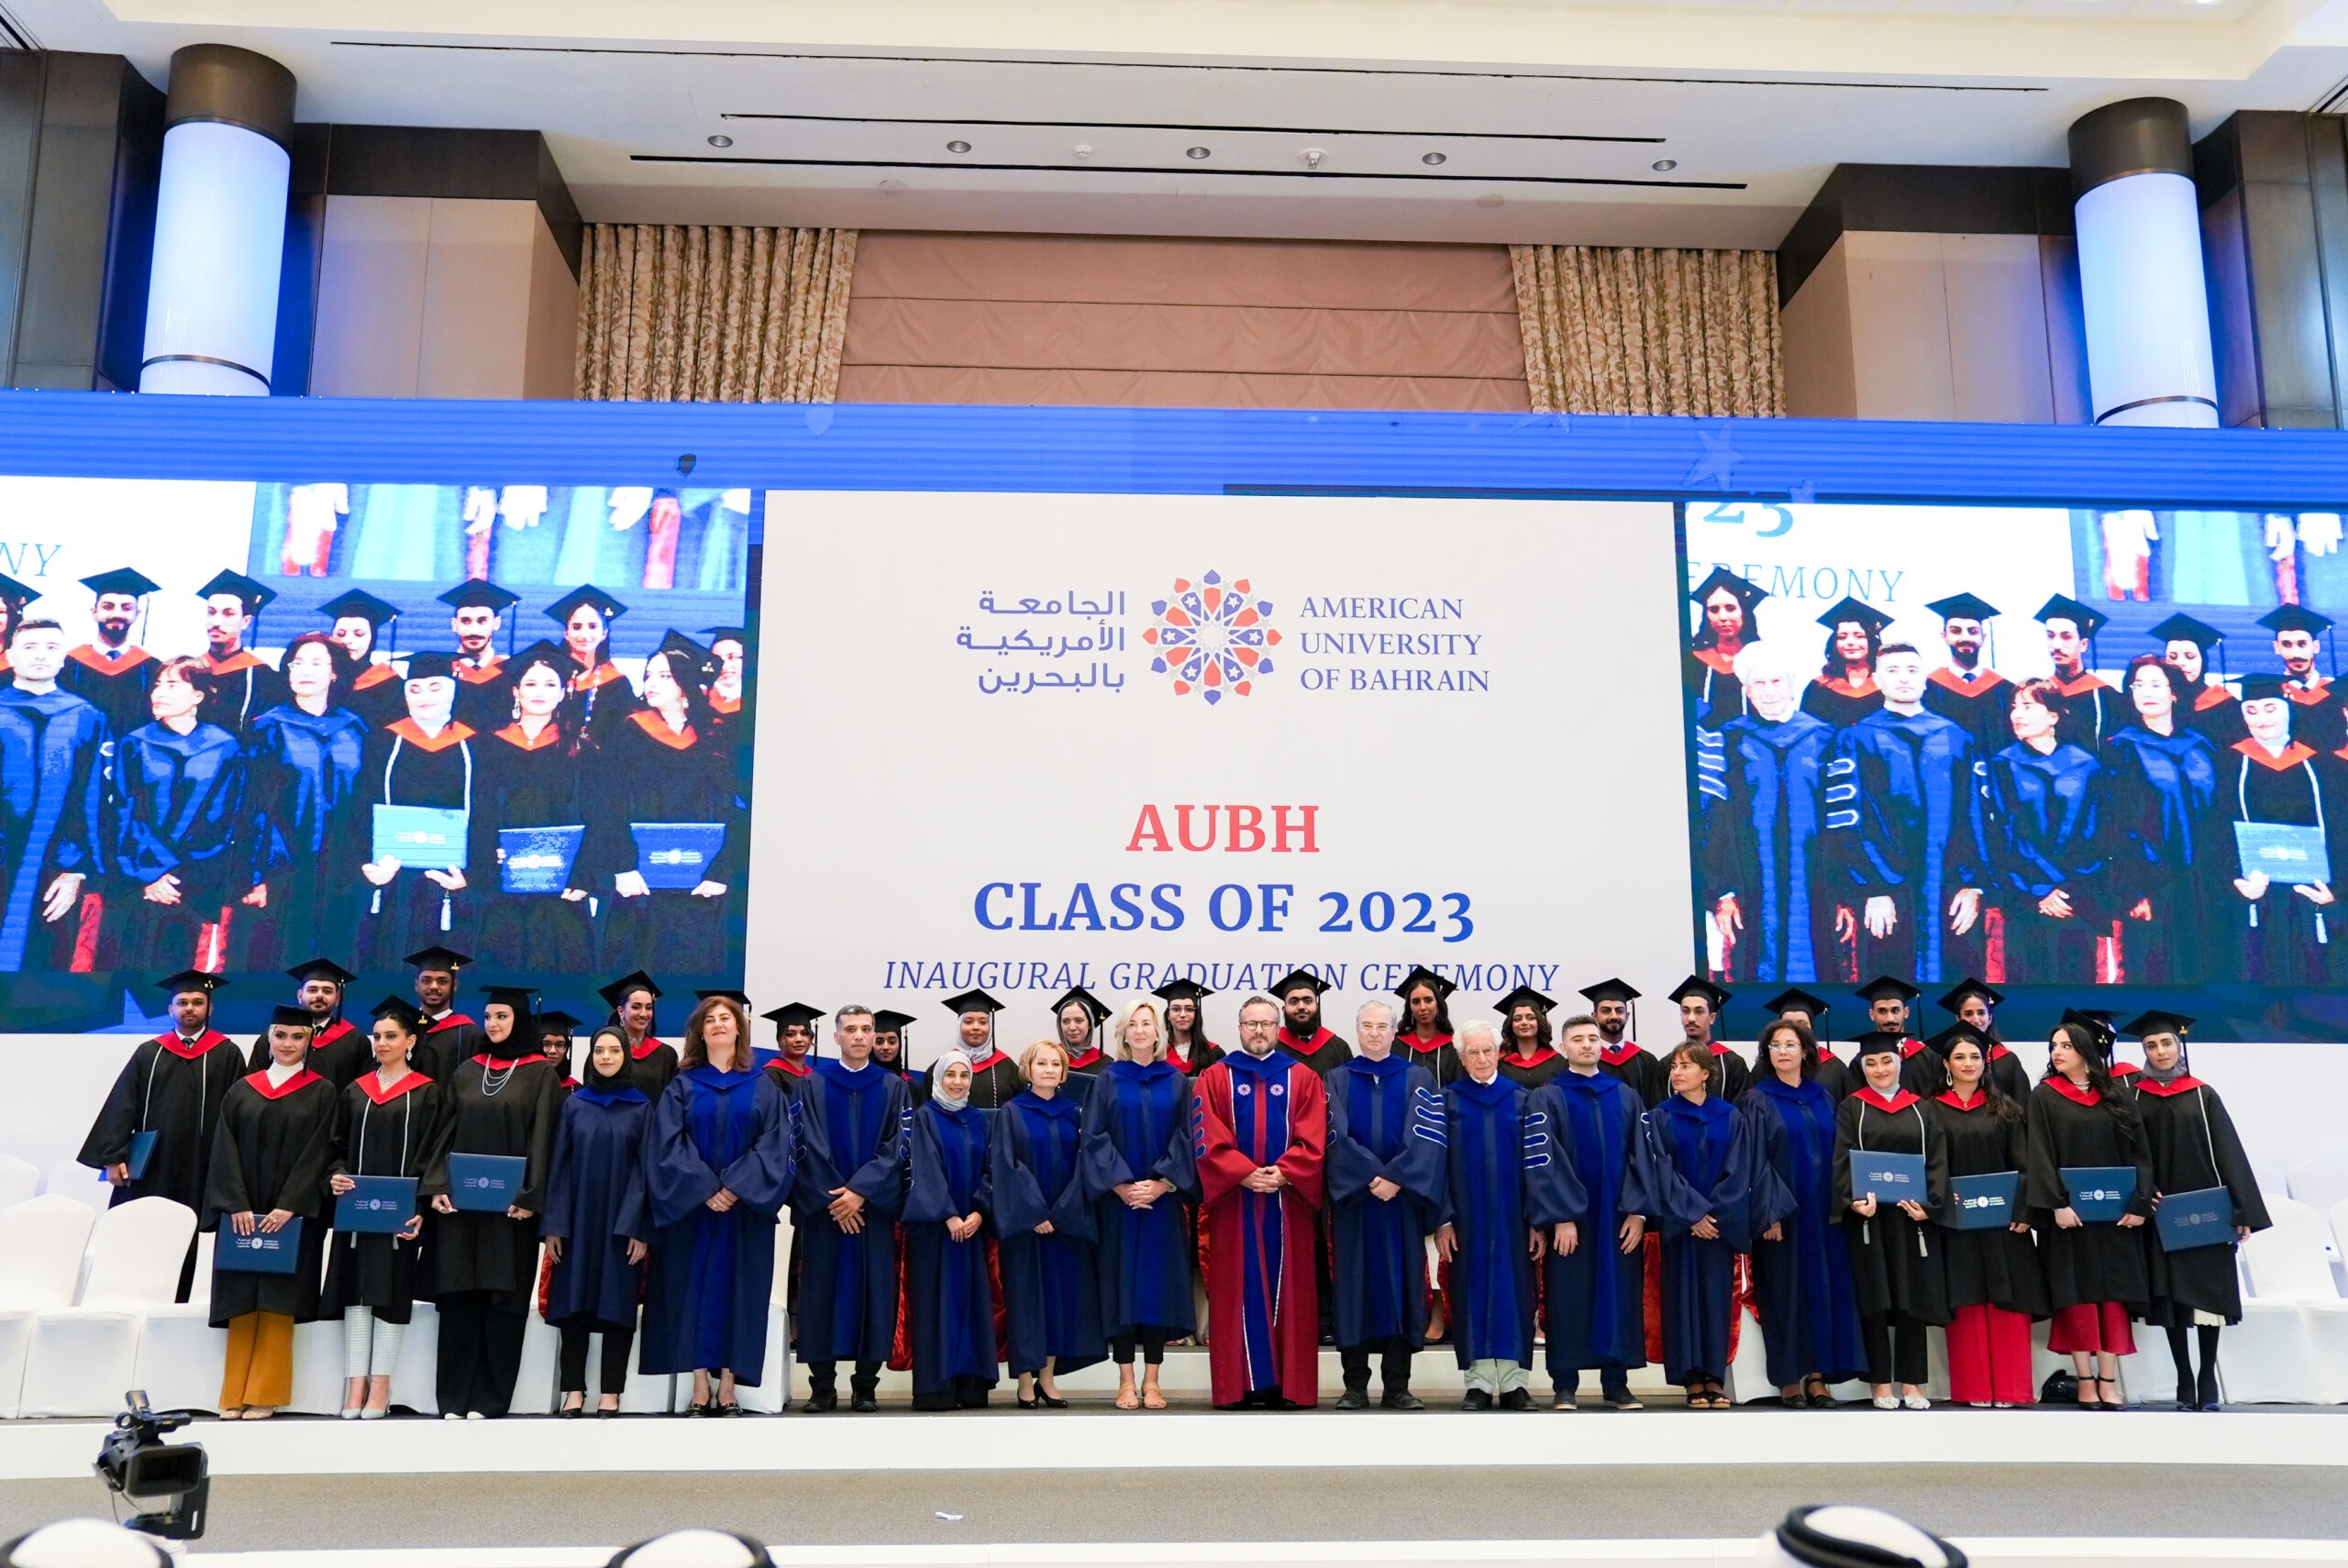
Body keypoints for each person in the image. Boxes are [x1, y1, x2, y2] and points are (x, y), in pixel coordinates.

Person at [643, 993, 794, 1417]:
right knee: (693, 1290)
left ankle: (728, 1384)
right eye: (710, 1020)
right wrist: (705, 1187)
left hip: (743, 1212)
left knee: (738, 1291)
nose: (718, 1025)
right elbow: (667, 1144)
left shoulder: (763, 1085)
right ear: (700, 1031)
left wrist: (735, 1187)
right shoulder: (683, 1085)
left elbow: (775, 1145)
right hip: (693, 1211)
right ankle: (698, 1384)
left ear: (739, 1029)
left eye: (726, 1018)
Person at [426, 984, 559, 1419]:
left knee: (502, 1300)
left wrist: (531, 1196)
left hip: (510, 1212)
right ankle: (453, 1396)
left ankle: (489, 1397)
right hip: (462, 1210)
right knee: (460, 1296)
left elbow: (544, 1138)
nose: (493, 1024)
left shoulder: (541, 1074)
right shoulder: (466, 1070)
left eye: (502, 1016)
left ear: (519, 1020)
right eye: (488, 1017)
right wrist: (439, 1185)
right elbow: (444, 1132)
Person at [2126, 1010, 2271, 1410]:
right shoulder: (2134, 1095)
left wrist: (2242, 1210)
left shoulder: (2202, 1094)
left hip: (2206, 1210)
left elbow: (2229, 1153)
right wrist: (2142, 1192)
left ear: (2179, 1045)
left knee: (2208, 1296)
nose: (2160, 1051)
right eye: (2152, 1045)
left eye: (2166, 1043)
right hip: (2162, 1212)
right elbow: (2129, 1154)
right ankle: (2183, 1379)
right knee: (2172, 1299)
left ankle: (2207, 1376)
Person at [1437, 1021, 1584, 1411]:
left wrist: (1539, 1220)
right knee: (1471, 1294)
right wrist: (1443, 1219)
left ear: (1499, 1053)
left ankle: (1516, 1382)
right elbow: (1437, 1166)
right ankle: (1479, 1384)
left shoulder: (1523, 1100)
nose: (1482, 1059)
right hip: (1466, 1219)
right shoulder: (1447, 1101)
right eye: (1473, 1052)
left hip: (1514, 1219)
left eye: (1487, 1050)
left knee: (1516, 1295)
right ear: (1462, 1056)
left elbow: (1539, 1165)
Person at [203, 1005, 338, 1419]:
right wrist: (237, 1204)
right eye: (281, 1036)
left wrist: (290, 1204)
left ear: (309, 1041)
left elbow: (320, 1154)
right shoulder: (243, 1089)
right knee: (242, 1299)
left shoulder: (322, 1092)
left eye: (297, 1037)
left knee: (278, 1302)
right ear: (268, 1038)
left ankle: (265, 1394)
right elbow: (223, 1150)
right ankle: (234, 1393)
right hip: (243, 1213)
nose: (288, 1045)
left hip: (290, 1216)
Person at [77, 970, 245, 1300]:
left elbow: (238, 1114)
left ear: (210, 1009)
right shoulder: (149, 1052)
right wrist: (113, 1157)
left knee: (188, 1236)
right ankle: (130, 1300)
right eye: (182, 1002)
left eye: (197, 1002)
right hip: (151, 1164)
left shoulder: (227, 1053)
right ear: (171, 1010)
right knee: (140, 1231)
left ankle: (178, 1303)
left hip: (202, 1165)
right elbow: (122, 1105)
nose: (190, 1009)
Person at [1194, 994, 1326, 1408]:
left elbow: (1316, 1135)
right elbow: (1206, 1136)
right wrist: (1242, 1172)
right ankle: (1241, 1386)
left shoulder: (1303, 1078)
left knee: (1292, 1291)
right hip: (1236, 1201)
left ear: (1278, 1027)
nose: (1259, 1030)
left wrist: (1285, 1171)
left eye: (1267, 1024)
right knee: (1238, 1287)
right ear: (1239, 1028)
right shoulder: (1215, 1078)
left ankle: (1288, 1387)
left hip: (1289, 1203)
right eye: (1251, 1023)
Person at [582, 635, 743, 976]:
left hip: (700, 884)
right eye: (649, 675)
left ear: (686, 683)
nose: (651, 683)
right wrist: (622, 867)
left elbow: (738, 811)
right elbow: (606, 806)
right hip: (639, 881)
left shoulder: (717, 735)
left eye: (664, 676)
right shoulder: (629, 732)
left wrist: (721, 872)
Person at [1827, 641, 1988, 983]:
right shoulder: (1855, 739)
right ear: (1877, 679)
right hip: (1887, 888)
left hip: (1950, 887)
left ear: (1925, 679)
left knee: (1955, 985)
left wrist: (1972, 885)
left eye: (1912, 670)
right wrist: (1872, 887)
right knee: (1890, 989)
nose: (1904, 679)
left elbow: (1975, 816)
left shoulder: (1957, 738)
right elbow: (1846, 821)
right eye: (1893, 671)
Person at [325, 998, 449, 1419]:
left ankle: (381, 1386)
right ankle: (354, 1384)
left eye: (391, 1036)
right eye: (376, 1036)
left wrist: (420, 1208)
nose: (381, 1042)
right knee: (355, 1294)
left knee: (391, 1294)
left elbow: (434, 1154)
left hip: (400, 1215)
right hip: (356, 1214)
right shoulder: (354, 1091)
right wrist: (336, 1174)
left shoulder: (427, 1092)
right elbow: (335, 1147)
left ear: (410, 1041)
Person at [2025, 1019, 2154, 1409]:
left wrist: (2139, 1204)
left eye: (2065, 1045)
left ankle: (2109, 1380)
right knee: (2077, 1297)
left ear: (2085, 1049)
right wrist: (2057, 1204)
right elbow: (2039, 1154)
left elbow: (2140, 1153)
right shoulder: (2044, 1096)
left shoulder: (2116, 1094)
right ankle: (2084, 1380)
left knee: (2112, 1298)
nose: (2057, 1052)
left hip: (2114, 1218)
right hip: (2070, 1220)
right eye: (2053, 1046)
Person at [1324, 999, 1445, 1410]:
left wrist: (1397, 1177)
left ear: (1395, 1032)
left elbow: (1427, 1135)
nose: (1374, 1033)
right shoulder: (1337, 1078)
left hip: (1400, 1204)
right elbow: (1333, 1133)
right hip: (1356, 1205)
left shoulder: (1418, 1077)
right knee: (1353, 1290)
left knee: (1403, 1287)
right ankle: (1354, 1385)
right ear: (1356, 1030)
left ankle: (1397, 1385)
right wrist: (1369, 1177)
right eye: (1367, 1026)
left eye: (1382, 1026)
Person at [1080, 996, 1198, 1410]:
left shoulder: (1178, 1081)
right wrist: (1121, 1186)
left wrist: (1163, 1183)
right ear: (1124, 1033)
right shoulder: (1107, 1081)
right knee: (1122, 1288)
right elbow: (1094, 1138)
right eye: (1134, 1024)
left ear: (1159, 1031)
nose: (1141, 1030)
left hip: (1162, 1204)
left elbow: (1187, 1137)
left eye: (1148, 1023)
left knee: (1157, 1290)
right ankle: (1126, 1379)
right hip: (1121, 1205)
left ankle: (1153, 1380)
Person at [792, 1006, 912, 1412]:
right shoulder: (810, 1085)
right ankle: (822, 1386)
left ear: (875, 1037)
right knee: (821, 1292)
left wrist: (860, 1192)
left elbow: (898, 1147)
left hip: (871, 1212)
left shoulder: (893, 1086)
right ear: (837, 1037)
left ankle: (865, 1385)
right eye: (851, 1030)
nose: (860, 1036)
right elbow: (804, 1145)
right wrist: (838, 1199)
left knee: (873, 1292)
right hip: (826, 1212)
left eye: (866, 1030)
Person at [1742, 1019, 1866, 1408]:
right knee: (1784, 1294)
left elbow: (1842, 1154)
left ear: (1805, 1052)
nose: (1782, 1051)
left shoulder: (1822, 1097)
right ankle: (1788, 1378)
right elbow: (1753, 1162)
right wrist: (1768, 1214)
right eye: (1775, 1045)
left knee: (1823, 1293)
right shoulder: (1757, 1099)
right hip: (1784, 1217)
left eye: (1790, 1045)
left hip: (1825, 1217)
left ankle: (1818, 1376)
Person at [1540, 1013, 1656, 1409]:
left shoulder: (1624, 1095)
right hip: (1572, 1220)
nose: (1587, 1044)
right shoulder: (1549, 1096)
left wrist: (1638, 1213)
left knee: (1618, 1293)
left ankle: (1616, 1382)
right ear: (1563, 1048)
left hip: (1617, 1217)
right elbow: (1544, 1161)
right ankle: (1565, 1384)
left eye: (1592, 1038)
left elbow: (1643, 1156)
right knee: (1568, 1297)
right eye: (1578, 1039)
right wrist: (1560, 1215)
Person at [1930, 1022, 2047, 1408]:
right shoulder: (1931, 1111)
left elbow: (2026, 1164)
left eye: (1975, 1056)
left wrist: (2024, 1210)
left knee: (2006, 1301)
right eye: (1960, 1056)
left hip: (2004, 1224)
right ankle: (1975, 1389)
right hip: (1957, 1224)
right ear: (1946, 1063)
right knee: (1967, 1301)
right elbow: (1931, 1167)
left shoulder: (2007, 1109)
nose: (1968, 1063)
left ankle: (2013, 1388)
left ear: (1986, 1062)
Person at [1706, 639, 1837, 985]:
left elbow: (1838, 819)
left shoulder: (1823, 736)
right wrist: (1724, 889)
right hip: (1750, 873)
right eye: (1758, 684)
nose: (1768, 692)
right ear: (1747, 691)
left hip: (1814, 873)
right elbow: (1720, 819)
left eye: (1777, 681)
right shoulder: (1730, 738)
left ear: (1793, 685)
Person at [1834, 1032, 1950, 1410]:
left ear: (1899, 1063)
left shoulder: (1921, 1109)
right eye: (1870, 1063)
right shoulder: (1853, 1107)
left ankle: (1912, 1382)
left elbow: (1936, 1159)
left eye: (1886, 1061)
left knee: (1910, 1299)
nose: (1879, 1070)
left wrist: (1930, 1204)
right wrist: (1853, 1201)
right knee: (1876, 1300)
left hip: (1910, 1216)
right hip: (1870, 1218)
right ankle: (1880, 1382)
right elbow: (1843, 1157)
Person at [541, 1025, 652, 1418]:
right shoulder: (574, 1104)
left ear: (626, 1056)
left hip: (620, 1224)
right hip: (577, 1220)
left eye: (614, 1051)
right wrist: (554, 1224)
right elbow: (559, 1166)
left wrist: (639, 1228)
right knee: (573, 1306)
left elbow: (645, 1172)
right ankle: (573, 1389)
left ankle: (610, 1392)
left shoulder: (641, 1107)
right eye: (600, 1051)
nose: (606, 1057)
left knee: (617, 1307)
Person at [109, 657, 245, 973]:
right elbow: (124, 812)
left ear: (198, 695)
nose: (160, 692)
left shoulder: (224, 747)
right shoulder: (134, 743)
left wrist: (182, 875)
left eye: (172, 684)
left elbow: (227, 816)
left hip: (195, 883)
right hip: (141, 878)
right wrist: (153, 874)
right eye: (157, 685)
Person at [239, 635, 368, 970]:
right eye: (297, 663)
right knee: (284, 957)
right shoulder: (268, 726)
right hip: (284, 864)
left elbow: (367, 799)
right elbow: (252, 805)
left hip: (344, 864)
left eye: (316, 663)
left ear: (335, 673)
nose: (304, 670)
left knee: (337, 960)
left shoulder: (355, 728)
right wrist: (258, 872)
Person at [1645, 1041, 1760, 1409]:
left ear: (1706, 1074)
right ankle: (1691, 1379)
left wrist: (1714, 1216)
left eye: (1685, 1066)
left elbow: (1739, 1171)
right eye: (1674, 1066)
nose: (1676, 1072)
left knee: (1714, 1302)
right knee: (1680, 1301)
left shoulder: (1730, 1116)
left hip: (1718, 1229)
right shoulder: (1660, 1115)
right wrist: (1692, 1214)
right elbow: (1662, 1169)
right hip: (1683, 1229)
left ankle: (1714, 1376)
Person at [991, 1039, 1101, 1408]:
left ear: (1064, 1071)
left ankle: (1048, 1378)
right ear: (1028, 1068)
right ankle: (1025, 1379)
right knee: (1026, 1300)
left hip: (1064, 1224)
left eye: (1056, 1064)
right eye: (1042, 1063)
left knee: (1057, 1300)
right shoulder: (1012, 1112)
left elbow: (1083, 1167)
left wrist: (1062, 1213)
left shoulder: (1075, 1112)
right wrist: (1035, 1213)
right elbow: (1007, 1166)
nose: (1050, 1070)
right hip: (1027, 1226)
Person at [354, 652, 482, 968]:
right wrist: (367, 863)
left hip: (451, 879)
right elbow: (360, 809)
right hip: (395, 879)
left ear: (453, 689)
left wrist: (474, 873)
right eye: (415, 688)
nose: (424, 697)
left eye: (435, 687)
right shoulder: (382, 743)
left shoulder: (477, 746)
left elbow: (488, 813)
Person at [471, 641, 592, 973]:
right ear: (516, 691)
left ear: (565, 692)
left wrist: (582, 874)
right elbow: (478, 812)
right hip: (502, 881)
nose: (539, 692)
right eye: (530, 683)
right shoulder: (488, 745)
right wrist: (486, 852)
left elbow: (596, 817)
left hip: (561, 882)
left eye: (550, 683)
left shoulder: (581, 748)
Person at [2103, 656, 2224, 986]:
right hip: (2153, 880)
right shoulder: (2121, 747)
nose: (2146, 692)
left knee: (2207, 964)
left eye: (2156, 684)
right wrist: (2133, 889)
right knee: (2156, 969)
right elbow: (2116, 825)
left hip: (2205, 877)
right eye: (2138, 685)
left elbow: (2220, 813)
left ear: (2174, 693)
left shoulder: (2202, 745)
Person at [0, 618, 111, 970]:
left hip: (56, 863)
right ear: (10, 655)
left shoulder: (87, 717)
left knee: (42, 963)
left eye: (51, 647)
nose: (41, 656)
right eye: (30, 647)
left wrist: (76, 870)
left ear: (64, 658)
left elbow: (95, 798)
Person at [1982, 679, 2108, 984]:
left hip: (2075, 900)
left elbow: (2096, 834)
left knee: (2079, 987)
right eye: (2014, 707)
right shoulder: (2002, 765)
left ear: (2054, 716)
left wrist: (2066, 889)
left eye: (2027, 706)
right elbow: (2004, 834)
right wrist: (2042, 890)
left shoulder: (2086, 765)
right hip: (2026, 899)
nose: (2017, 715)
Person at [2223, 673, 2340, 986]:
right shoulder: (2229, 764)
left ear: (2288, 707)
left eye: (2270, 707)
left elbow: (2340, 831)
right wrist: (2237, 883)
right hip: (2257, 893)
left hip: (2313, 892)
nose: (2261, 718)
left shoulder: (2322, 764)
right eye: (2251, 710)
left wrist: (2337, 891)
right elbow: (2216, 834)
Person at [903, 1048, 998, 1410]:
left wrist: (978, 1212)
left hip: (971, 1230)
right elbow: (924, 1169)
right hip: (936, 1233)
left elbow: (993, 1168)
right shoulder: (925, 1117)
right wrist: (948, 1215)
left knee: (971, 1304)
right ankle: (936, 1388)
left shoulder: (978, 1120)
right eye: (950, 1075)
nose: (957, 1082)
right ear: (937, 1079)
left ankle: (970, 1386)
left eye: (963, 1076)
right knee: (936, 1305)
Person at [58, 567, 161, 740]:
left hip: (130, 757)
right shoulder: (66, 664)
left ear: (137, 614)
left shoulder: (152, 668)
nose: (117, 614)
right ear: (94, 612)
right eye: (108, 606)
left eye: (126, 608)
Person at [1920, 591, 2015, 762]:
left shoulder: (2006, 690)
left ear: (1983, 638)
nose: (1965, 637)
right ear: (1944, 636)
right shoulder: (1927, 688)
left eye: (1972, 631)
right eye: (1956, 631)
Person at [195, 570, 288, 741]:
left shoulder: (263, 677)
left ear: (245, 621)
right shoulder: (191, 670)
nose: (216, 622)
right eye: (211, 612)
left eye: (228, 613)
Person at [544, 585, 642, 746]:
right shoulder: (549, 675)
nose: (584, 635)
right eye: (576, 627)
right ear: (566, 633)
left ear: (604, 633)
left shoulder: (617, 684)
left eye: (592, 626)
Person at [1683, 566, 1765, 731]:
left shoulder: (1761, 662)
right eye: (1714, 609)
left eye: (1730, 608)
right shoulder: (1691, 661)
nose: (1723, 617)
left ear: (1744, 612)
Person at [2034, 594, 2118, 750]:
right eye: (2050, 636)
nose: (2056, 645)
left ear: (2083, 644)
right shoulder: (2039, 694)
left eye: (2066, 637)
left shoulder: (2105, 696)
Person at [2262, 603, 2346, 754]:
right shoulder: (2268, 696)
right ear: (2276, 648)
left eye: (2302, 644)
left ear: (2316, 647)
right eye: (2287, 644)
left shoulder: (2338, 694)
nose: (2296, 653)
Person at [274, 957, 371, 1088]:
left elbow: (362, 1092)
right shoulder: (277, 1036)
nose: (319, 996)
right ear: (299, 995)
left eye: (327, 991)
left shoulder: (356, 1042)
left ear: (337, 998)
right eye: (312, 990)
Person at [319, 588, 407, 730]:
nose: (348, 640)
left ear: (372, 639)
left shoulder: (390, 685)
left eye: (359, 634)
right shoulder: (318, 678)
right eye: (341, 634)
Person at [2154, 612, 2245, 747]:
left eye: (2190, 656)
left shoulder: (2226, 706)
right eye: (2173, 657)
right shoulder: (2153, 702)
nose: (2181, 663)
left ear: (2203, 662)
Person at [1932, 978, 2029, 1103]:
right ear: (1958, 1018)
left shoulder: (2007, 1060)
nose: (1976, 1019)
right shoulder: (1943, 1058)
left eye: (1981, 1013)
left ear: (1990, 1018)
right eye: (1968, 1014)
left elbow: (2022, 1103)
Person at [442, 581, 522, 733]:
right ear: (454, 624)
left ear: (496, 623)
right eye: (466, 621)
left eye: (482, 620)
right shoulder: (440, 671)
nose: (474, 630)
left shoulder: (514, 672)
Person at [1802, 596, 1890, 730]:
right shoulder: (1819, 688)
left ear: (1871, 641)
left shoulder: (1889, 686)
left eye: (1859, 636)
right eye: (1842, 637)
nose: (1850, 642)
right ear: (1834, 643)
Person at [1849, 977, 1944, 1099]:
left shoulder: (1929, 1057)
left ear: (1906, 1012)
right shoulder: (1861, 1063)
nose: (1890, 1019)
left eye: (1895, 1010)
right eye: (1882, 1011)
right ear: (1872, 1015)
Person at [406, 945, 485, 1085]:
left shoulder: (469, 1034)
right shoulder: (404, 1028)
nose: (434, 986)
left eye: (442, 981)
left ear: (454, 986)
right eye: (426, 980)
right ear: (416, 985)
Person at [933, 988, 1022, 1108]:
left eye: (983, 1022)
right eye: (968, 1022)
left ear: (990, 1026)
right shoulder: (942, 1066)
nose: (976, 1027)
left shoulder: (1009, 1069)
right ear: (959, 1025)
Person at [602, 972, 680, 1102]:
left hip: (654, 1122)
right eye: (636, 1007)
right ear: (621, 1011)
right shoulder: (604, 1052)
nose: (644, 1013)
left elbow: (672, 1101)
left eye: (649, 1007)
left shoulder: (666, 1054)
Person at [1582, 978, 1660, 1107]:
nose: (1614, 1016)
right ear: (1594, 1016)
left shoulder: (1646, 1061)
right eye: (1606, 1011)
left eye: (1619, 1011)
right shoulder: (1583, 1059)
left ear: (1627, 1015)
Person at [1764, 987, 1851, 1100]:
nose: (1795, 1030)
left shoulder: (1834, 1067)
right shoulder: (1765, 1066)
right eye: (1788, 1023)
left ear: (1812, 1028)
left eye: (1802, 1024)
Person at [1669, 976, 1748, 1100]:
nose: (1691, 1018)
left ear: (1712, 1018)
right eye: (1685, 1011)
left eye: (1699, 1012)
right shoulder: (1667, 1064)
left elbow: (1740, 1112)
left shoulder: (1733, 1063)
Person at [1268, 968, 1352, 1073]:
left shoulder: (1339, 1047)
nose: (1301, 1007)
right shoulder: (1271, 1047)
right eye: (1294, 1002)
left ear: (1317, 1006)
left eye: (1308, 1001)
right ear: (1284, 1009)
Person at [1391, 966, 1462, 1085]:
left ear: (1438, 1004)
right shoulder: (1396, 1046)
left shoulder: (1454, 1047)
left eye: (1428, 1000)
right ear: (1410, 1007)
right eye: (1416, 1002)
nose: (1422, 1007)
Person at [1491, 986, 1565, 1089]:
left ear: (1539, 1022)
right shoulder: (1498, 1063)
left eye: (1531, 1018)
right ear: (1510, 1024)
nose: (1524, 1022)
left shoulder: (1558, 1063)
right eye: (1517, 1019)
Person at [1155, 977, 1223, 1076]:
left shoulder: (1214, 1053)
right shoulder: (1157, 1052)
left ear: (1196, 1014)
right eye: (1176, 1009)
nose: (1182, 1014)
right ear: (1168, 1015)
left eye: (1189, 1009)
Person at [1052, 987, 1112, 1085]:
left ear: (1090, 1024)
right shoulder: (1049, 1057)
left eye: (1079, 1020)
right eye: (1065, 1021)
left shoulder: (1107, 1064)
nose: (1072, 1027)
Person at [761, 1002, 823, 1092]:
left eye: (804, 1033)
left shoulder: (812, 1076)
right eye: (790, 1034)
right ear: (780, 1039)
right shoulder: (772, 1074)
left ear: (810, 1038)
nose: (799, 1039)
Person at [869, 1008, 914, 1078]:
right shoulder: (860, 1082)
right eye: (879, 1042)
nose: (885, 1047)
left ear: (900, 1044)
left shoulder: (909, 1085)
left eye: (892, 1042)